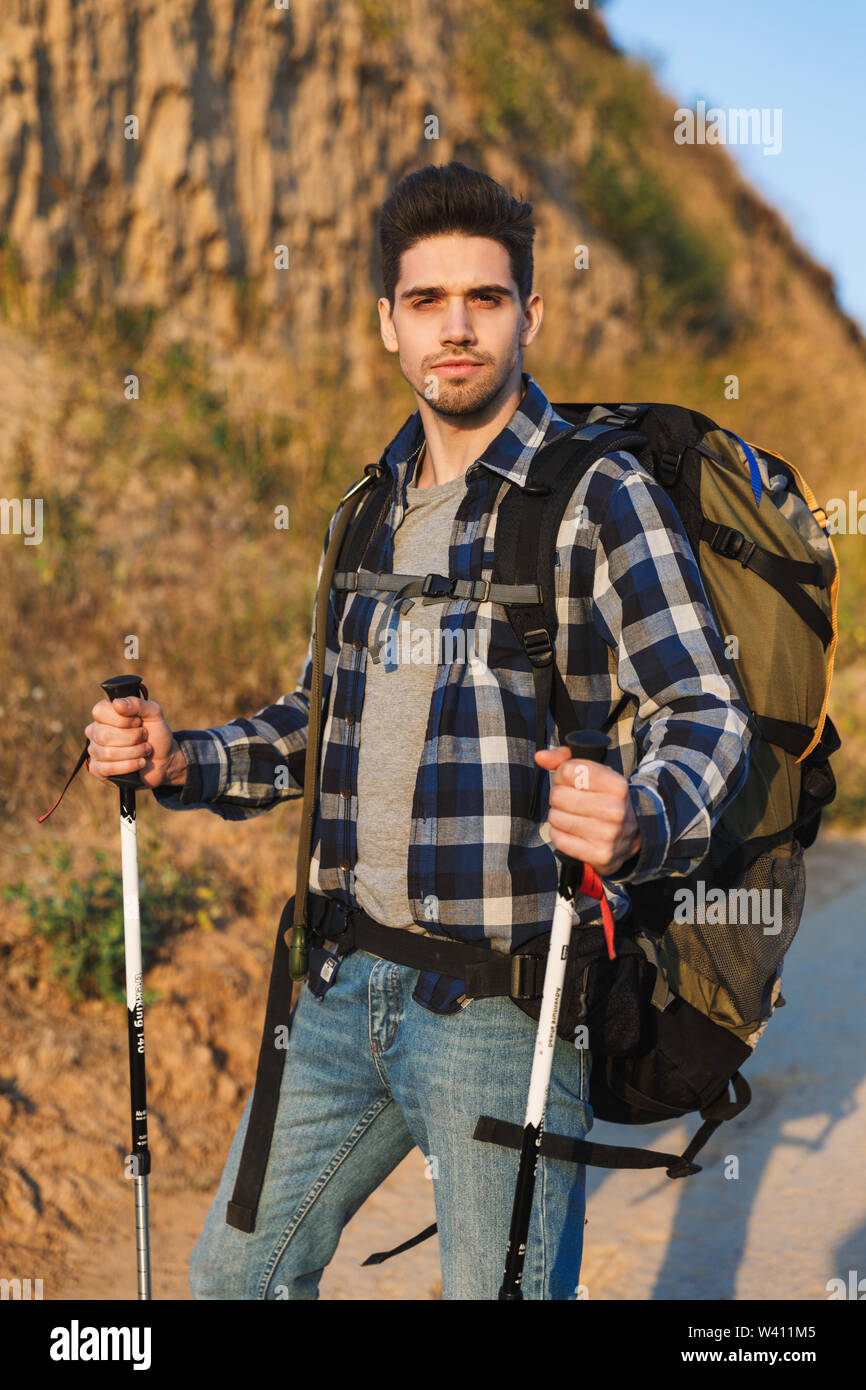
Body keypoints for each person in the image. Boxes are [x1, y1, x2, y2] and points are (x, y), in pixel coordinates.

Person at [84, 161, 752, 1300]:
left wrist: (640, 811)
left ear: (528, 315)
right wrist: (179, 754)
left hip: (506, 1008)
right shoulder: (361, 513)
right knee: (230, 1281)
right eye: (427, 301)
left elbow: (705, 707)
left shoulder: (596, 496)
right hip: (338, 991)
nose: (456, 328)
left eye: (484, 300)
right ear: (385, 323)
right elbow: (312, 724)